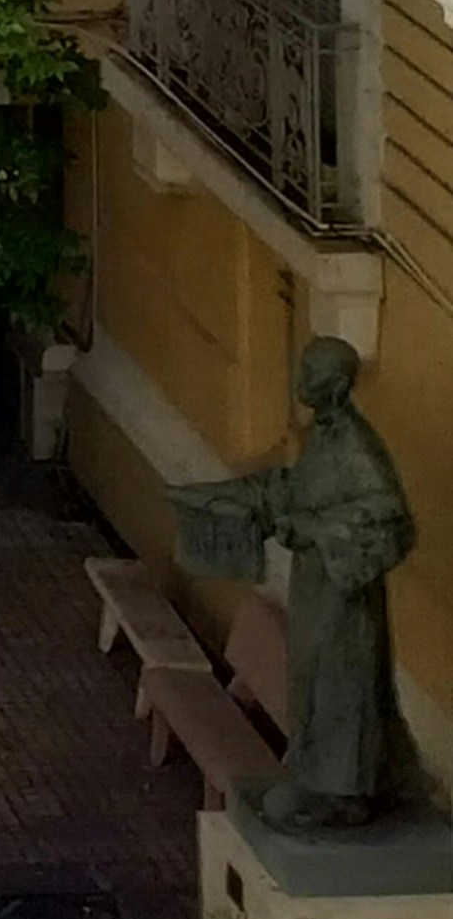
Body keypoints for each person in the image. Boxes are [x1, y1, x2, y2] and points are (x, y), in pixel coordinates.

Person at [176, 335, 421, 833]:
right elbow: (298, 488)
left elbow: (389, 518)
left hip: (343, 592)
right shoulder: (322, 439)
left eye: (309, 373)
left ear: (334, 385)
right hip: (317, 584)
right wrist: (237, 499)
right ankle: (321, 781)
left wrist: (310, 529)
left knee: (341, 685)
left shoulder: (356, 445)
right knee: (313, 678)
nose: (299, 382)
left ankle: (340, 794)